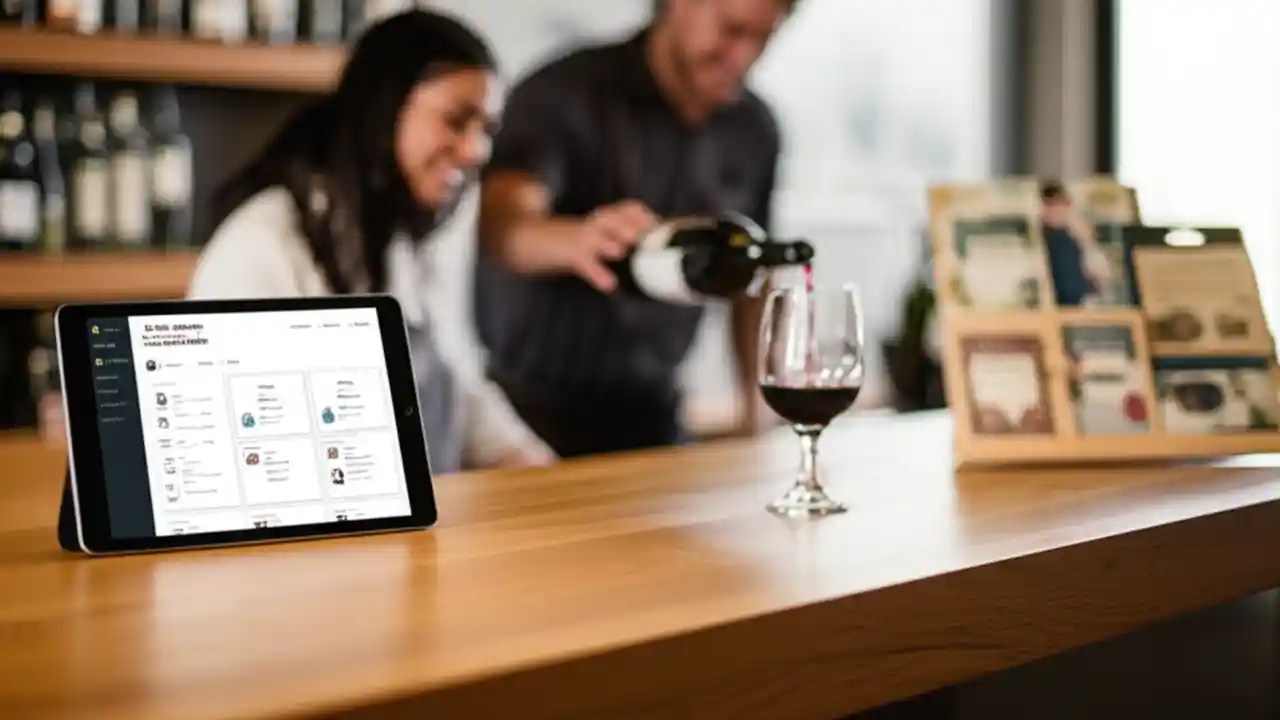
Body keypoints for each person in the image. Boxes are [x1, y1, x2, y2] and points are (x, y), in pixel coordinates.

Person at [189, 11, 554, 473]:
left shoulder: (402, 241)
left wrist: (543, 472)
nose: (475, 151)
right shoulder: (264, 245)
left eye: (487, 130)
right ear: (384, 111)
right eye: (456, 121)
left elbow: (460, 390)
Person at [475, 0, 795, 458]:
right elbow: (504, 228)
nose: (743, 57)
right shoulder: (564, 94)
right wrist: (578, 240)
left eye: (762, 38)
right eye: (730, 30)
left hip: (658, 416)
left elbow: (753, 283)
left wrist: (757, 414)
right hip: (528, 417)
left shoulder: (755, 130)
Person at [1041, 182, 1112, 307]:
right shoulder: (1056, 240)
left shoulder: (1073, 238)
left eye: (1061, 204)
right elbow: (1071, 288)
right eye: (1052, 205)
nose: (1058, 210)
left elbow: (1102, 276)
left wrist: (1086, 242)